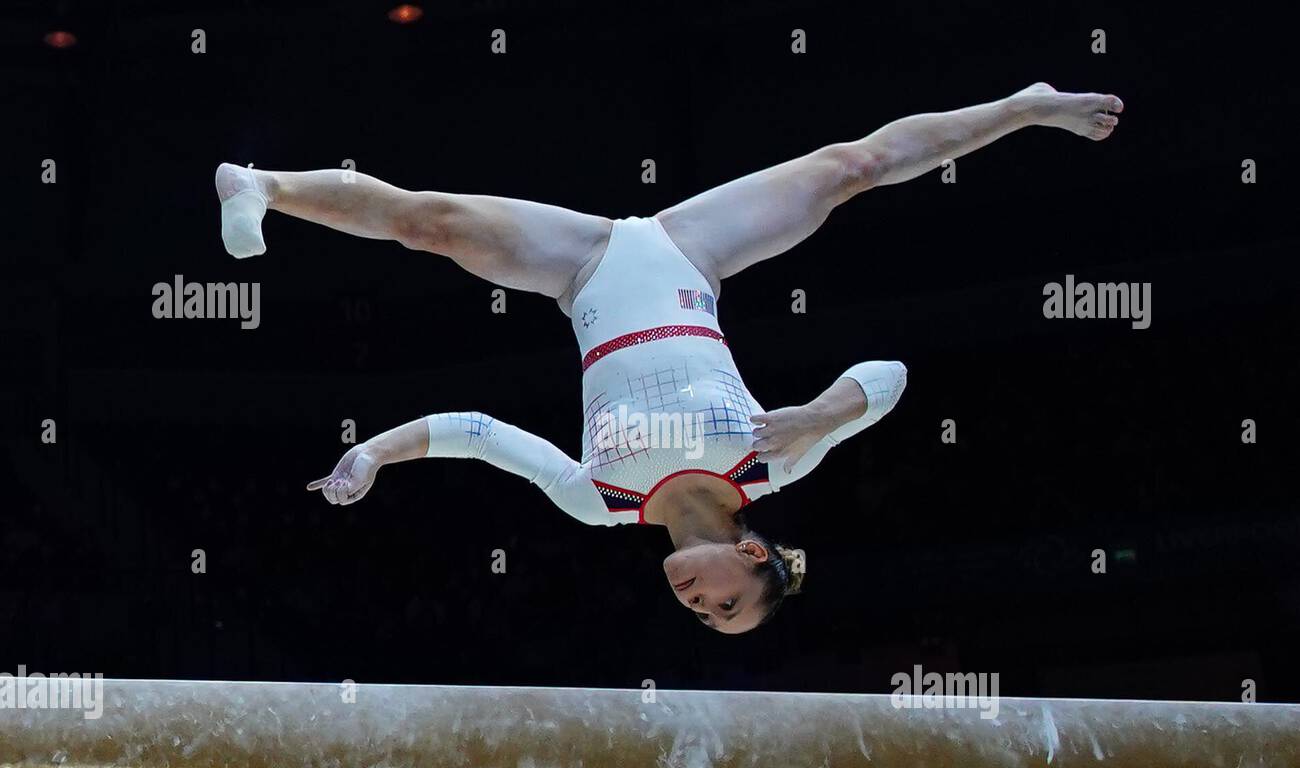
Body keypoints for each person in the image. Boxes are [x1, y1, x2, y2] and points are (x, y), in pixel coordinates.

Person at [218, 82, 1122, 632]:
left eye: (702, 616)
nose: (698, 604)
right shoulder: (775, 459)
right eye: (726, 605)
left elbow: (481, 433)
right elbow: (889, 379)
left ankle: (266, 187)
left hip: (582, 277)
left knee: (429, 224)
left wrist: (371, 451)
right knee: (852, 167)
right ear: (756, 554)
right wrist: (822, 415)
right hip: (694, 254)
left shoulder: (602, 502)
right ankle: (1024, 108)